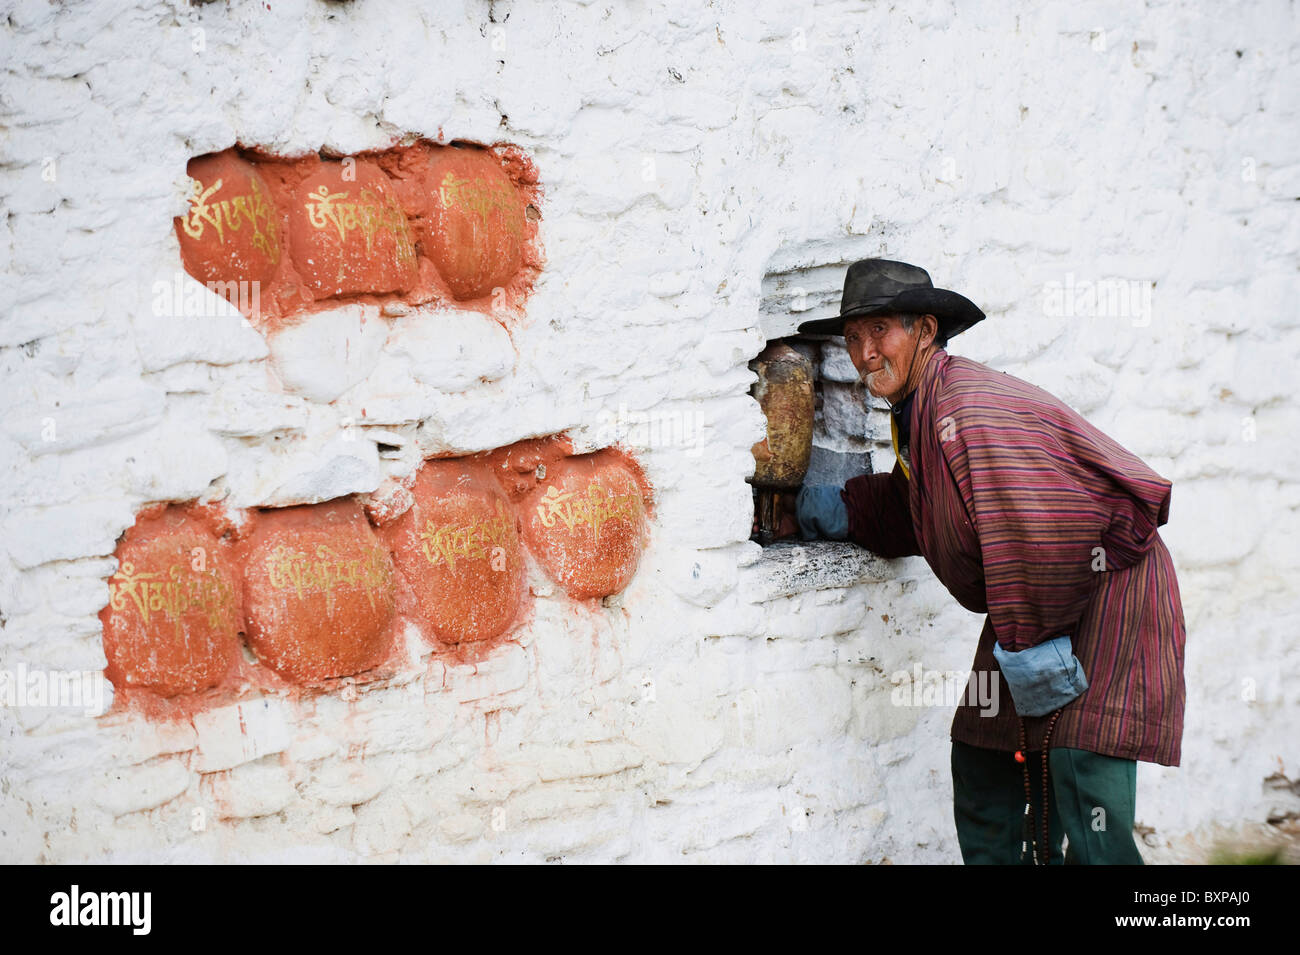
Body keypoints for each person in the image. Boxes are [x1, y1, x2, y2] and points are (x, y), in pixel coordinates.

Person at [794, 259, 1186, 864]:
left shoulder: (965, 409)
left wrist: (1032, 648)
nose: (865, 352)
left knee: (1087, 793)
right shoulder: (921, 408)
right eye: (852, 338)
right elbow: (915, 505)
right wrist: (823, 509)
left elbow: (1037, 526)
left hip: (1101, 592)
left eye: (880, 332)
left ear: (925, 330)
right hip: (1033, 600)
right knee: (983, 756)